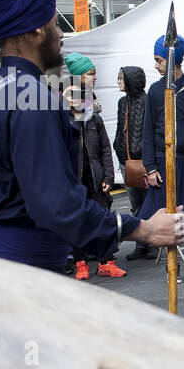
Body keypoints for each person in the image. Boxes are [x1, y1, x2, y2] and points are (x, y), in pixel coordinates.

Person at [0, 0, 184, 267]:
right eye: (54, 23)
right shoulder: (33, 97)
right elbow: (57, 204)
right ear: (37, 30)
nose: (60, 34)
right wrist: (145, 228)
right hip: (21, 270)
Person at [141, 31, 184, 276]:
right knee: (167, 213)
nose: (156, 65)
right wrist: (149, 167)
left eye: (159, 60)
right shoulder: (155, 91)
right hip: (163, 161)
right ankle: (173, 264)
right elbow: (148, 132)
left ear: (172, 60)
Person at [63, 52, 126, 280]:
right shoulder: (62, 120)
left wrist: (109, 176)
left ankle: (106, 262)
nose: (95, 78)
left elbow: (104, 148)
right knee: (76, 223)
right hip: (74, 179)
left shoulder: (94, 118)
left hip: (96, 177)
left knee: (103, 219)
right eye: (91, 74)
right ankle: (80, 263)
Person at [114, 66, 153, 260]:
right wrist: (120, 151)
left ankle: (151, 241)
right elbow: (120, 130)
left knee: (149, 202)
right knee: (135, 203)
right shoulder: (123, 103)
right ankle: (141, 243)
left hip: (144, 162)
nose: (119, 82)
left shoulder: (147, 101)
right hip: (127, 161)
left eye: (122, 79)